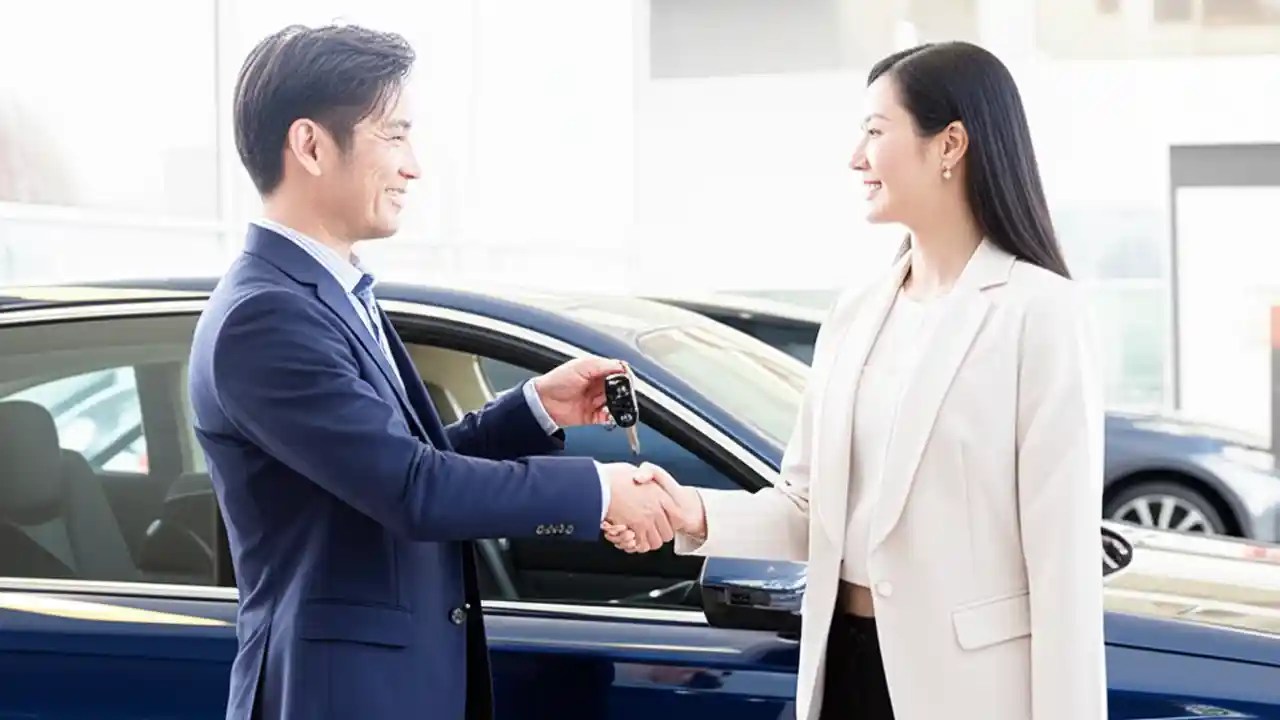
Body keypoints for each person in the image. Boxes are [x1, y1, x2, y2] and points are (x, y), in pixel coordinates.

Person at [605, 41, 1106, 720]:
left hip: (971, 693)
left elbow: (1063, 571)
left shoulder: (1039, 312)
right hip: (843, 668)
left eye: (874, 130)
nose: (855, 157)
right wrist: (689, 511)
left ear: (949, 144)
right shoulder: (857, 311)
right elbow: (808, 510)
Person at [188, 24, 676, 720]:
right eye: (395, 134)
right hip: (337, 697)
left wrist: (534, 408)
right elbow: (415, 492)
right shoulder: (264, 318)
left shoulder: (329, 292)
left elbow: (404, 466)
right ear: (311, 145)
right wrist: (598, 493)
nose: (413, 165)